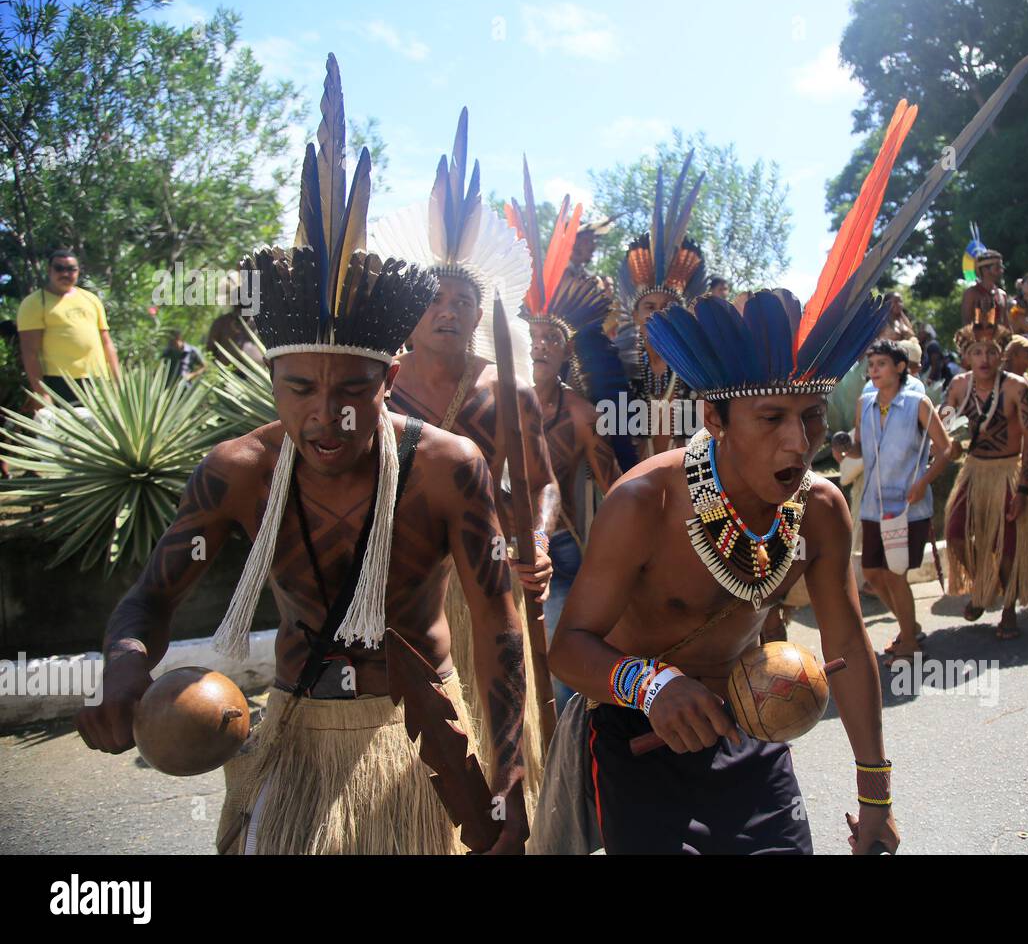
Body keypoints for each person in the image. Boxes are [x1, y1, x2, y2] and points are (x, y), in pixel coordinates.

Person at [74, 56, 529, 854]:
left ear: (389, 377)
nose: (326, 417)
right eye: (299, 390)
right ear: (271, 378)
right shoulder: (237, 472)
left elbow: (498, 627)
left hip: (420, 739)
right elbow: (150, 598)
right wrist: (122, 671)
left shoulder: (446, 467)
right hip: (297, 735)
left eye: (352, 390)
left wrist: (509, 773)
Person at [535, 104, 926, 854]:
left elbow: (846, 637)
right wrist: (649, 685)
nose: (799, 440)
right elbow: (569, 649)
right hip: (635, 733)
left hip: (753, 724)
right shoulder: (646, 501)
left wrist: (875, 793)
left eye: (810, 417)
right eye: (770, 417)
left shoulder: (819, 509)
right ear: (715, 422)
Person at [370, 107, 557, 808]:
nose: (447, 309)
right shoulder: (376, 393)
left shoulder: (507, 394)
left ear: (481, 315)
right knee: (421, 754)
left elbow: (539, 487)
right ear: (410, 313)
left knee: (507, 735)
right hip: (409, 586)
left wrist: (535, 542)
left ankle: (515, 816)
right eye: (433, 298)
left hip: (490, 580)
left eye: (461, 300)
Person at [508, 163, 636, 713]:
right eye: (530, 338)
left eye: (549, 341)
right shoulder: (493, 402)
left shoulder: (583, 414)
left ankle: (569, 754)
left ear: (565, 352)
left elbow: (611, 489)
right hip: (495, 542)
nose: (539, 347)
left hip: (560, 547)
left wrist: (628, 552)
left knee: (560, 659)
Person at [843, 339, 952, 661]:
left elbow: (946, 448)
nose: (873, 370)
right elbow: (861, 449)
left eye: (881, 364)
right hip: (874, 504)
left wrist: (923, 482)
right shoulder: (864, 403)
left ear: (900, 368)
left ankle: (910, 643)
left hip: (908, 506)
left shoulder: (919, 403)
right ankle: (910, 627)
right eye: (871, 364)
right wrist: (844, 451)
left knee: (894, 574)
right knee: (873, 574)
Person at [942, 314, 1028, 639]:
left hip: (1008, 472)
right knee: (955, 533)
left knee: (1008, 544)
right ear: (967, 356)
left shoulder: (1017, 387)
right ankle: (984, 585)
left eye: (991, 352)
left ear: (1002, 355)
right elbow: (944, 429)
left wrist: (1024, 488)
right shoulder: (958, 386)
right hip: (974, 470)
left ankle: (1009, 609)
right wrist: (948, 442)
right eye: (977, 352)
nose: (985, 359)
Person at [614, 154, 708, 458]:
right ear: (634, 316)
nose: (657, 315)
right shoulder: (622, 368)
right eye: (649, 307)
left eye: (668, 307)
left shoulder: (700, 370)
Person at [16, 248, 121, 404]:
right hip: (59, 383)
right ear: (49, 270)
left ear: (78, 271)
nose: (65, 274)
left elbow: (106, 343)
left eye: (71, 269)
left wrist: (118, 383)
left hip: (97, 381)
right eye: (59, 268)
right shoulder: (34, 303)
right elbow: (29, 352)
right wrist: (42, 394)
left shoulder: (91, 299)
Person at [206, 294, 265, 365]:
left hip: (250, 373)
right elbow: (210, 350)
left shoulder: (258, 326)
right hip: (224, 370)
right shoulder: (221, 322)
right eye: (240, 305)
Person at [960, 249, 1010, 327]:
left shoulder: (1002, 295)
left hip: (1000, 338)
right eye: (997, 268)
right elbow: (967, 323)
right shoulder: (971, 294)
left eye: (1002, 267)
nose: (1001, 271)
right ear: (985, 270)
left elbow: (1006, 324)